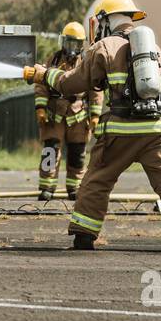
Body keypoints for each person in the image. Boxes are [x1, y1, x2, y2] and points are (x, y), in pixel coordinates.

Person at [24, 0, 161, 252]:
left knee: (98, 180)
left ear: (105, 20)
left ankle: (84, 236)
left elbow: (71, 83)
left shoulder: (103, 47)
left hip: (121, 131)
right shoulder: (155, 51)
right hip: (157, 131)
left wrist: (44, 75)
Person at [34, 22, 102, 201]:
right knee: (50, 151)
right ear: (63, 42)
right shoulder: (52, 61)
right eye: (70, 43)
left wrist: (95, 115)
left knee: (77, 153)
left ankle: (75, 187)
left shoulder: (87, 62)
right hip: (54, 115)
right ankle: (47, 188)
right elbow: (41, 84)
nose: (73, 48)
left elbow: (96, 89)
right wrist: (40, 107)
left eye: (77, 44)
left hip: (78, 116)